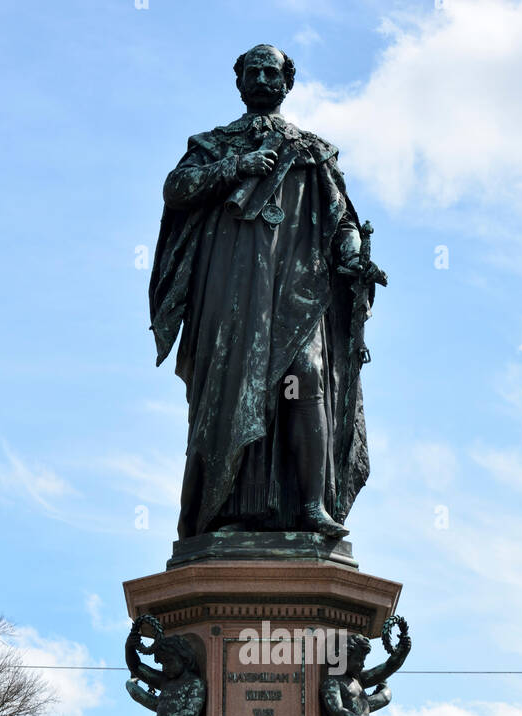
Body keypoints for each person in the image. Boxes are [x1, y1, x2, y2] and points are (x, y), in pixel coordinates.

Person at [150, 43, 384, 539]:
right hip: (231, 290)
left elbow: (342, 217)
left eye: (269, 70)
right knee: (231, 392)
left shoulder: (313, 151)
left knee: (306, 377)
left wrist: (350, 256)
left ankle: (311, 505)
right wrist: (236, 168)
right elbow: (177, 189)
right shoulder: (213, 144)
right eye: (251, 70)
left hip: (298, 289)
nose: (260, 77)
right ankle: (220, 511)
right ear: (238, 82)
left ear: (286, 82)